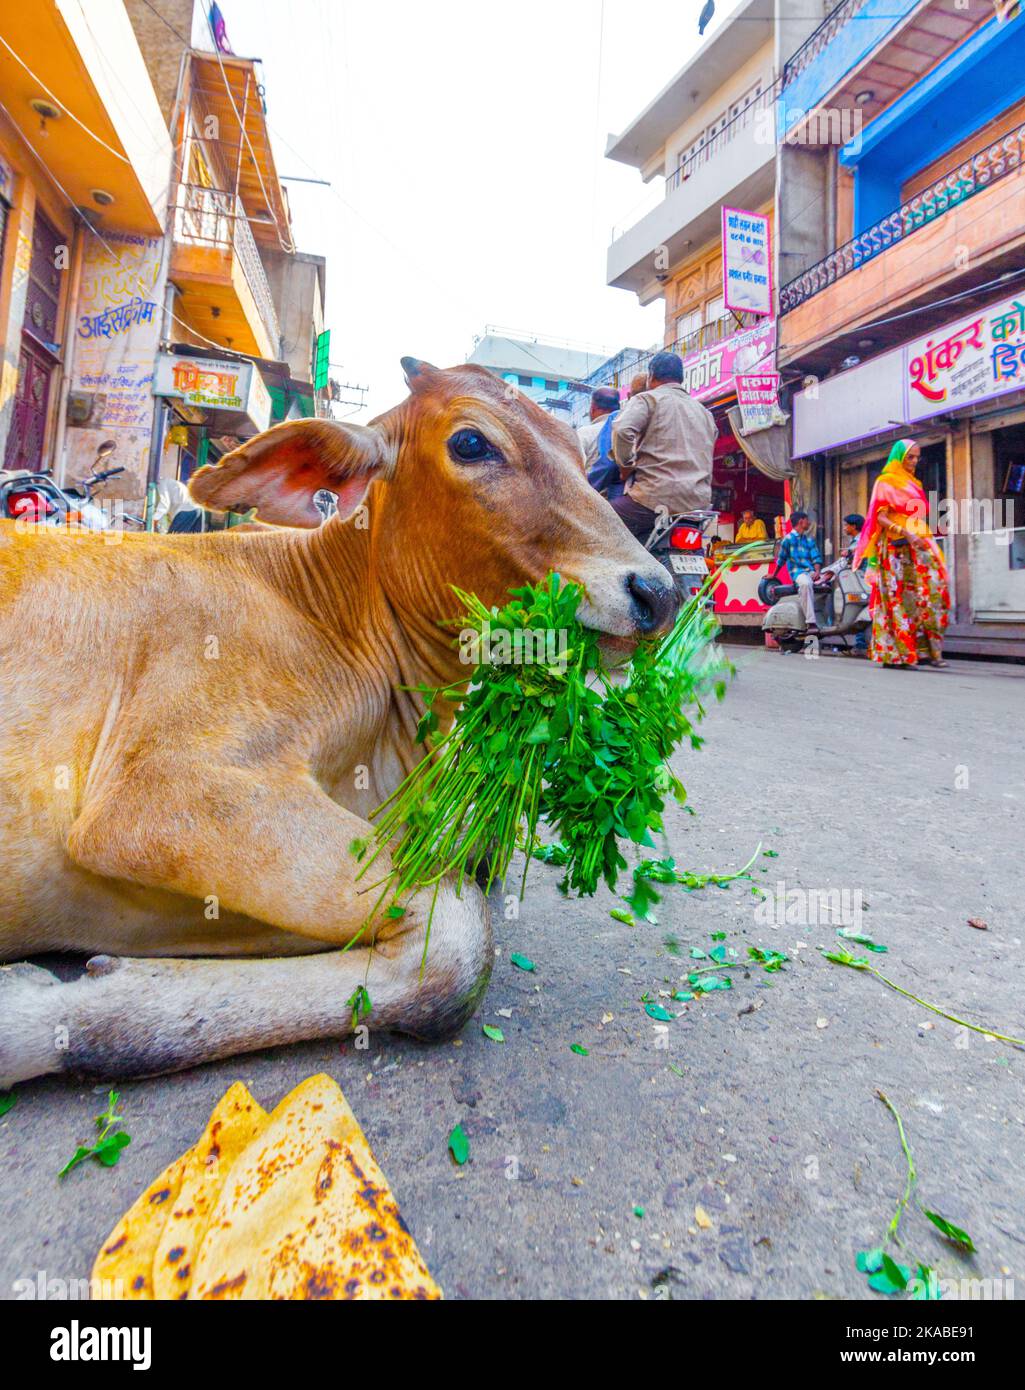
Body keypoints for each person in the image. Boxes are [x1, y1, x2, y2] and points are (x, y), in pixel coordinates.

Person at [852, 439, 950, 668]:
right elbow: (880, 516)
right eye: (910, 457)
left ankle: (926, 650)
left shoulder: (914, 482)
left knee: (933, 591)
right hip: (895, 548)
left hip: (919, 545)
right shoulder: (885, 481)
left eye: (917, 457)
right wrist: (904, 532)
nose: (914, 461)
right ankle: (898, 654)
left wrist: (918, 535)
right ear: (899, 457)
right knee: (896, 600)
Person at [609, 350, 715, 542]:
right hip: (697, 507)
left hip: (651, 501)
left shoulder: (648, 399)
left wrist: (626, 465)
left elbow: (622, 430)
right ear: (681, 378)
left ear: (651, 377)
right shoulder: (705, 413)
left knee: (600, 520)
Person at [771, 510, 824, 632]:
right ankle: (811, 622)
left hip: (810, 572)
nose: (809, 522)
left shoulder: (809, 540)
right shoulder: (787, 540)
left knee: (829, 580)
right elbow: (781, 560)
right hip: (798, 574)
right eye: (807, 520)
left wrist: (817, 572)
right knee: (805, 584)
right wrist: (773, 576)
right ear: (801, 521)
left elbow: (816, 558)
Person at [577, 386, 624, 498]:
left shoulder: (584, 433)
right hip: (623, 497)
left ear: (593, 408)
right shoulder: (627, 429)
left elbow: (576, 470)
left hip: (590, 497)